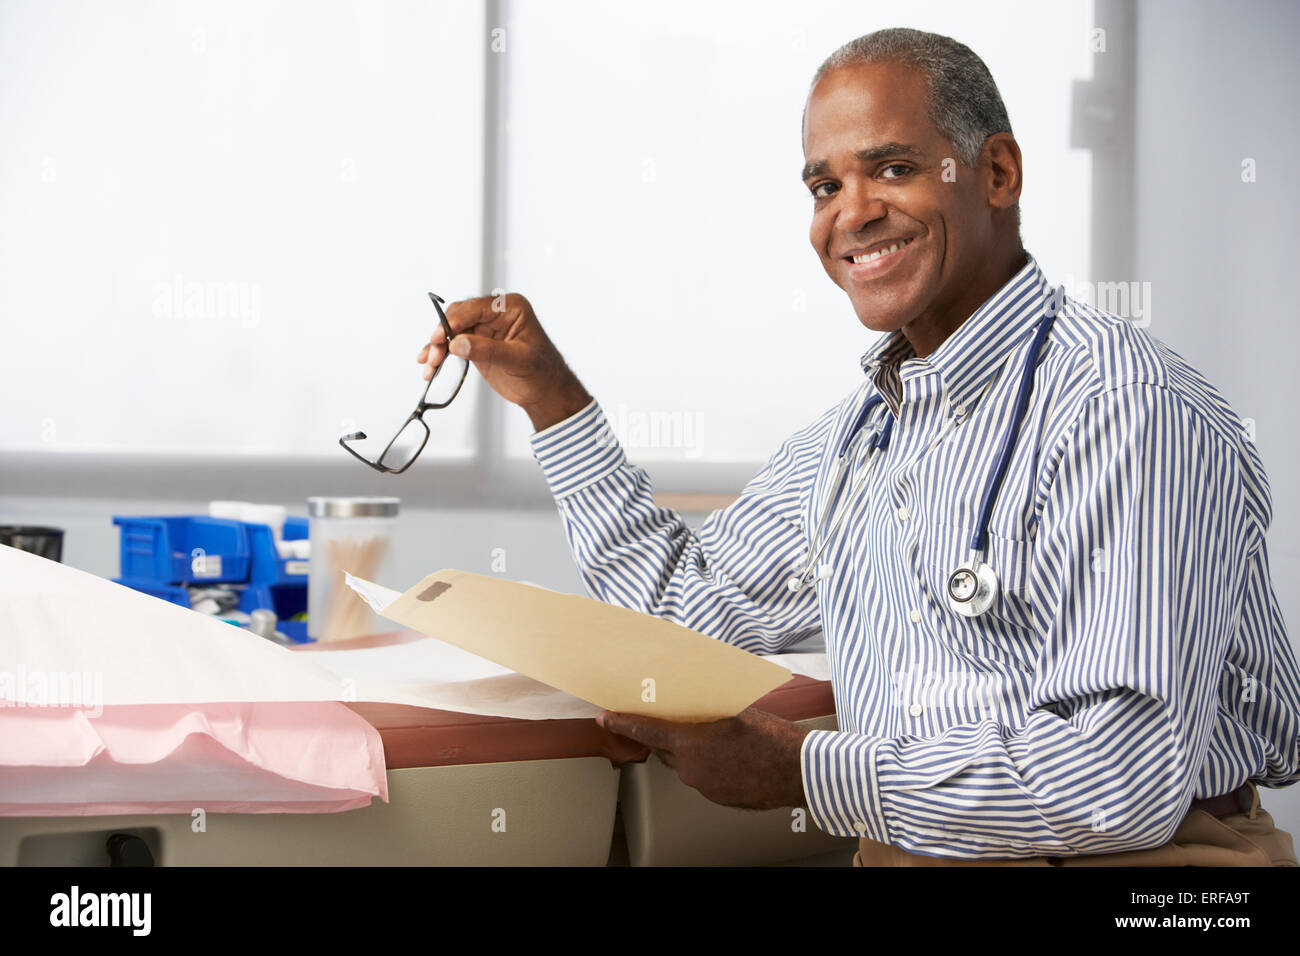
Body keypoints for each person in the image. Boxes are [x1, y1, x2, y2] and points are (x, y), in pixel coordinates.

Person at [417, 27, 1300, 866]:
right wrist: (551, 397)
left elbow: (1122, 777)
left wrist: (804, 770)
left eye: (894, 168)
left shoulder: (1123, 409)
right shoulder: (859, 440)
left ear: (996, 172)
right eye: (824, 187)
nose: (853, 215)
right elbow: (680, 616)